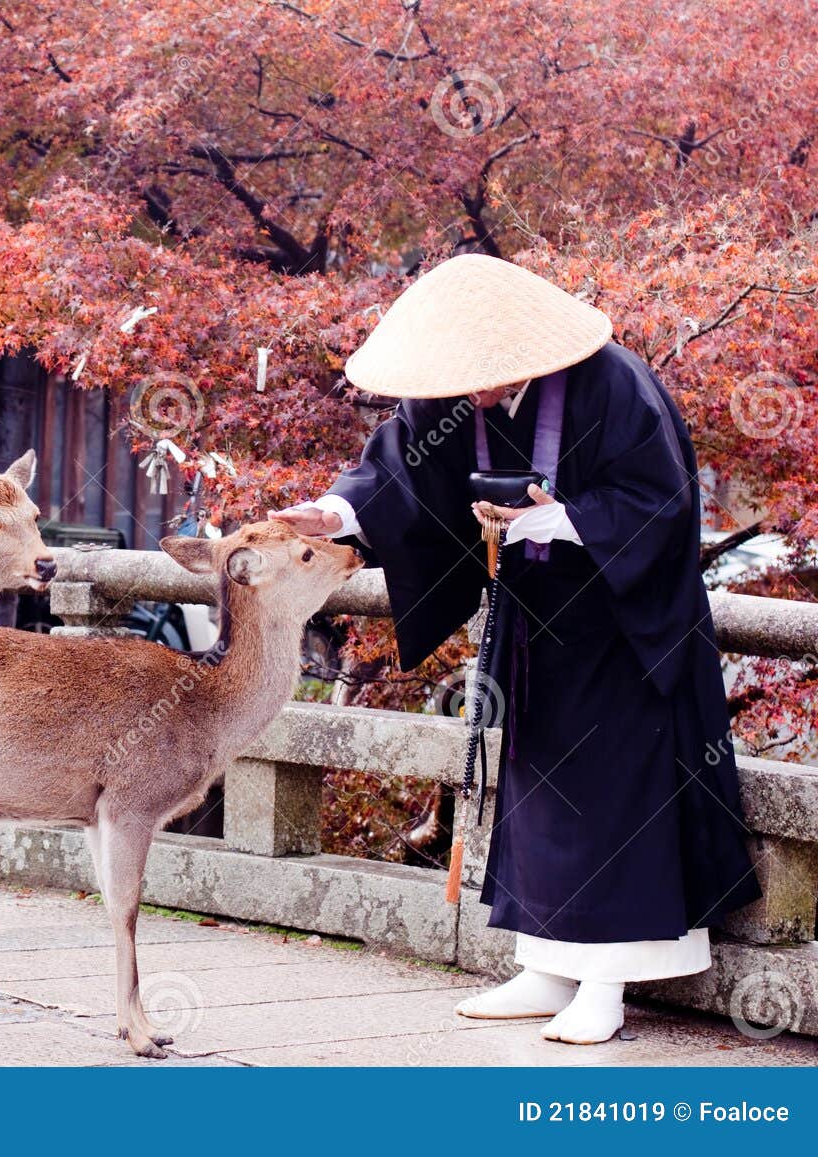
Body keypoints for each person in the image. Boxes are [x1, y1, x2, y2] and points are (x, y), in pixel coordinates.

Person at [271, 254, 760, 1045]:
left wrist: (562, 520)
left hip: (622, 626)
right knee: (538, 798)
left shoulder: (614, 383)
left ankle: (606, 981)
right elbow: (394, 473)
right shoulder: (456, 394)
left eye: (487, 379)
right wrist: (332, 513)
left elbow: (659, 501)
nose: (476, 395)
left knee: (615, 804)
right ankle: (543, 961)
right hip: (533, 622)